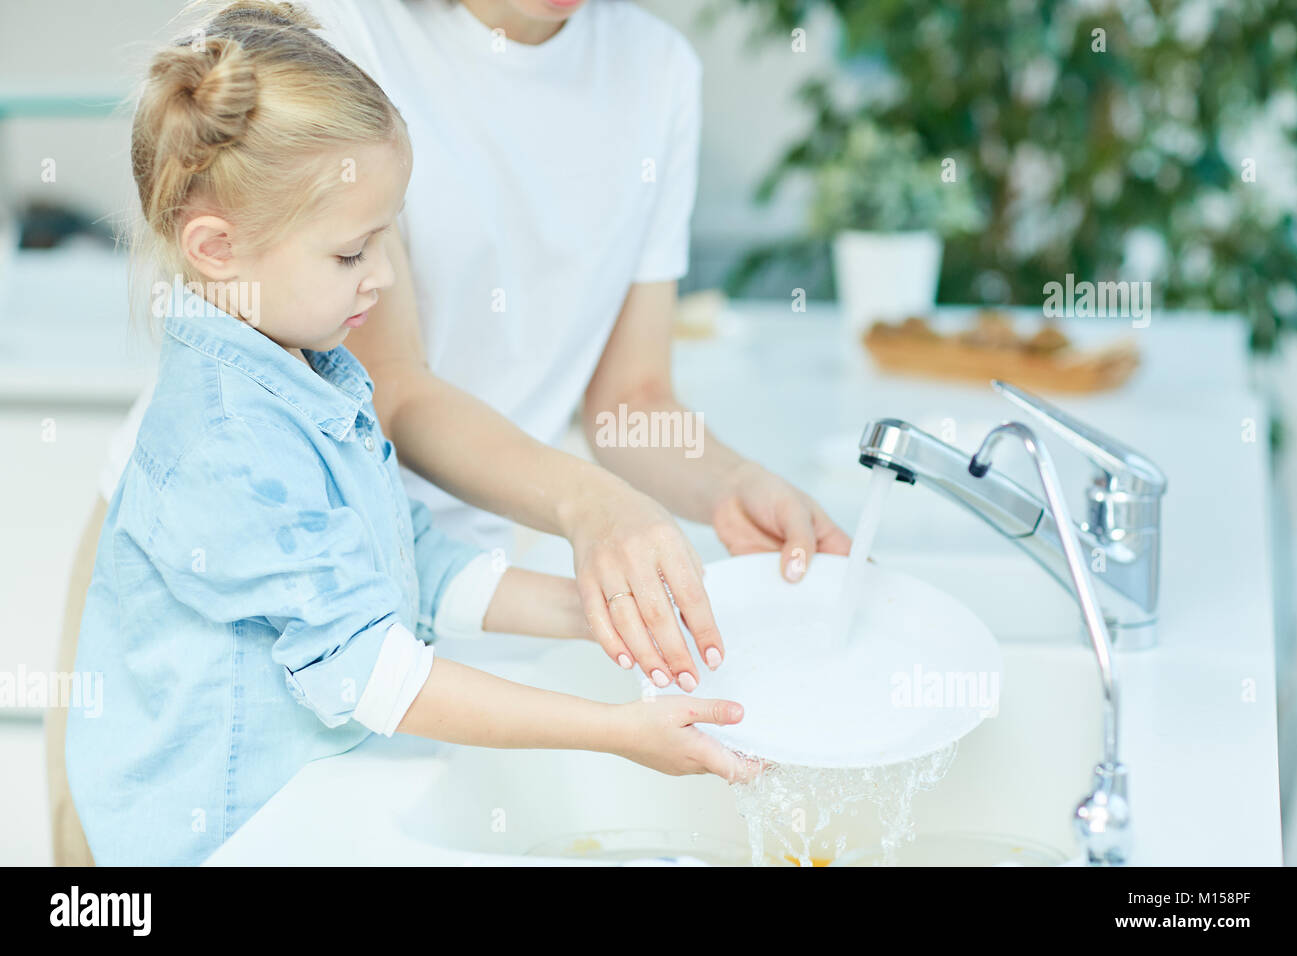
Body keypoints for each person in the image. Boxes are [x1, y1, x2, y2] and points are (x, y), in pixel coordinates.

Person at [49, 0, 847, 864]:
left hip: (349, 729)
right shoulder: (235, 443)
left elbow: (410, 562)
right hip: (223, 801)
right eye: (356, 253)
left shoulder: (315, 377)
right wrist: (617, 726)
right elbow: (370, 658)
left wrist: (634, 603)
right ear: (214, 248)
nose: (385, 275)